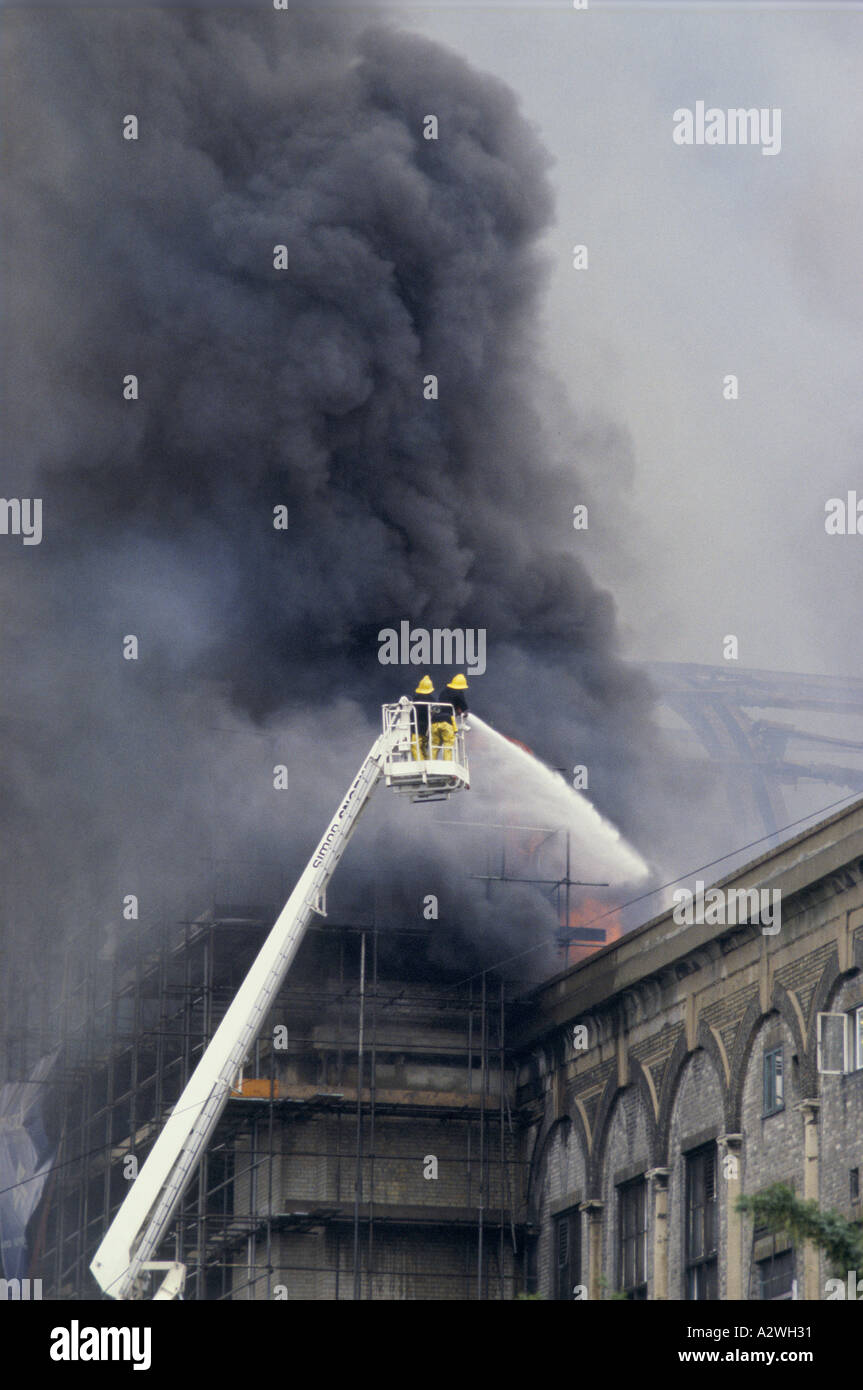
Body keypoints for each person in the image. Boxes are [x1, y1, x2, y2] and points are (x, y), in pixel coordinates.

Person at [411, 675, 435, 759]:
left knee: (415, 746)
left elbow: (411, 714)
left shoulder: (416, 698)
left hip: (416, 728)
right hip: (427, 729)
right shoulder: (432, 700)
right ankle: (426, 761)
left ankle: (420, 764)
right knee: (423, 748)